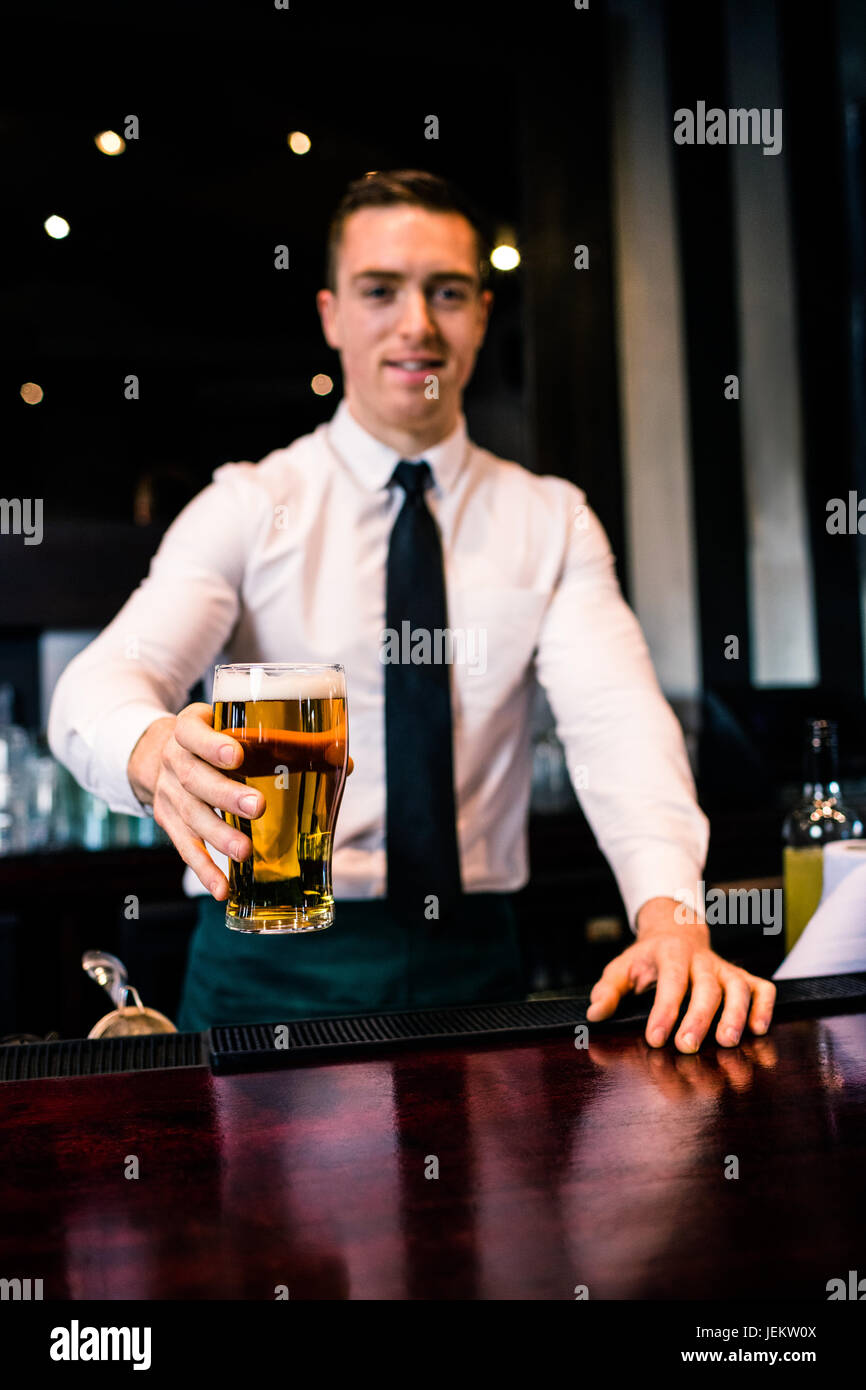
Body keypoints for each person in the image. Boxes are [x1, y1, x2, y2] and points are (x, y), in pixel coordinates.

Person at [49, 169, 777, 1051]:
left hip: (476, 967)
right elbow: (100, 682)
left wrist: (670, 918)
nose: (417, 324)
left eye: (448, 292)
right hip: (263, 967)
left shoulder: (552, 518)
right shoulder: (248, 503)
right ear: (330, 316)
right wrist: (154, 747)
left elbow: (620, 725)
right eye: (380, 291)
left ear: (481, 312)